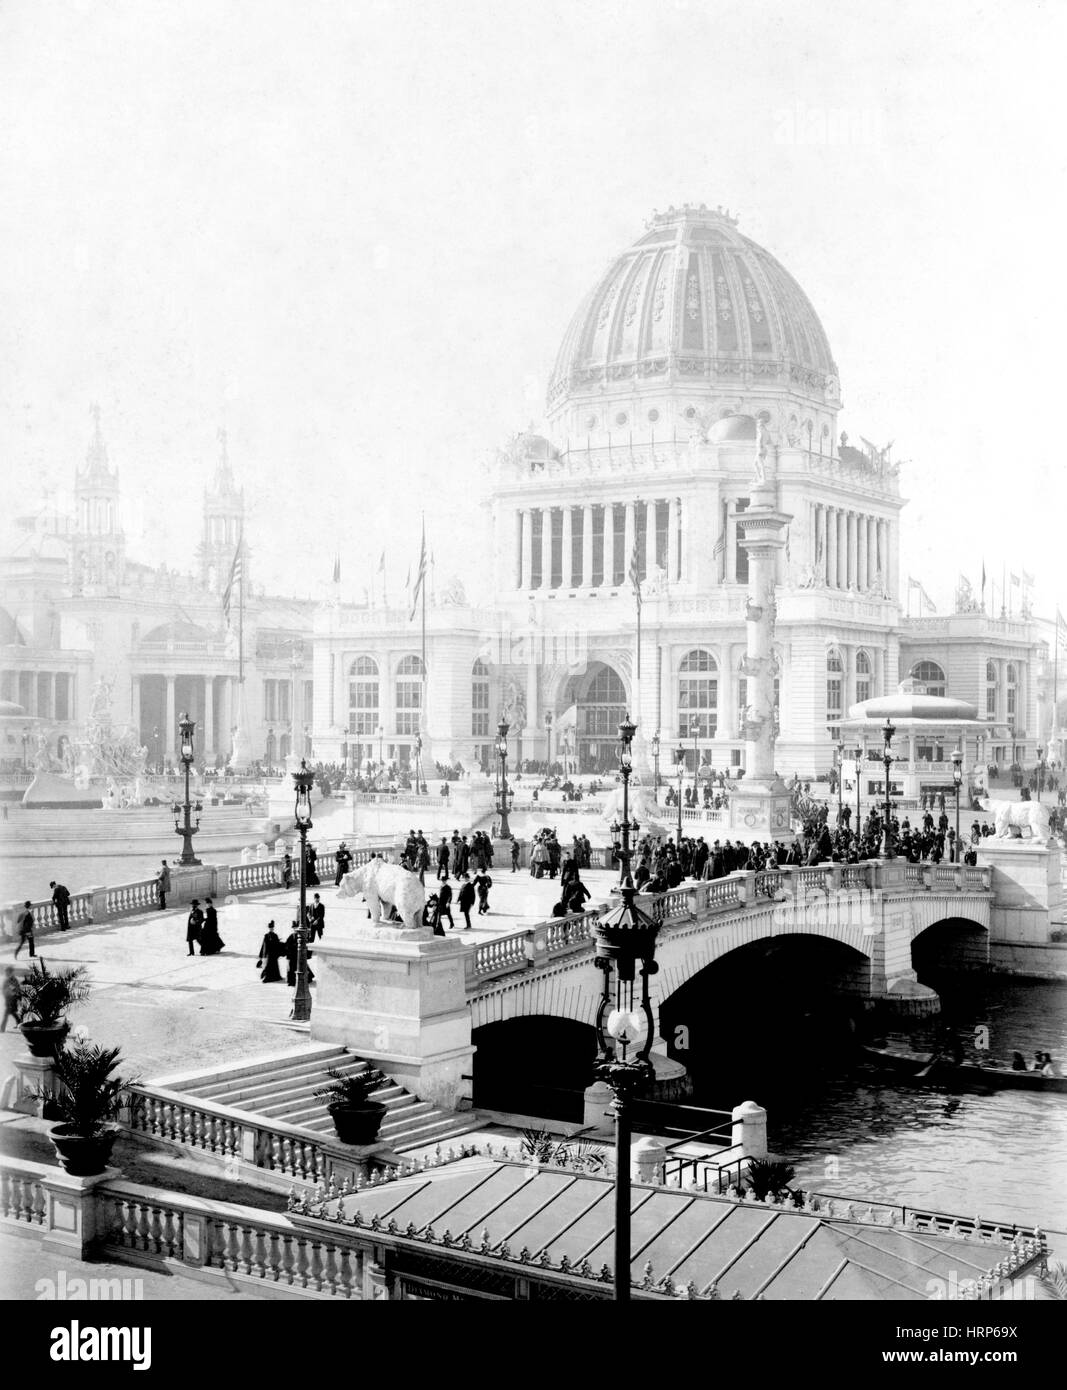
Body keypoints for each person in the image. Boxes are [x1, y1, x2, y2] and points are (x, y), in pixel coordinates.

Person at [1, 966, 21, 1031]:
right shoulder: (6, 979)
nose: (6, 973)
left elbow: (17, 989)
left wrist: (12, 989)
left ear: (11, 972)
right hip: (8, 998)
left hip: (12, 999)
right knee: (13, 1012)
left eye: (7, 972)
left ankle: (2, 1029)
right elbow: (3, 989)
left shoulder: (13, 979)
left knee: (6, 1013)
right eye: (6, 972)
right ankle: (20, 1023)